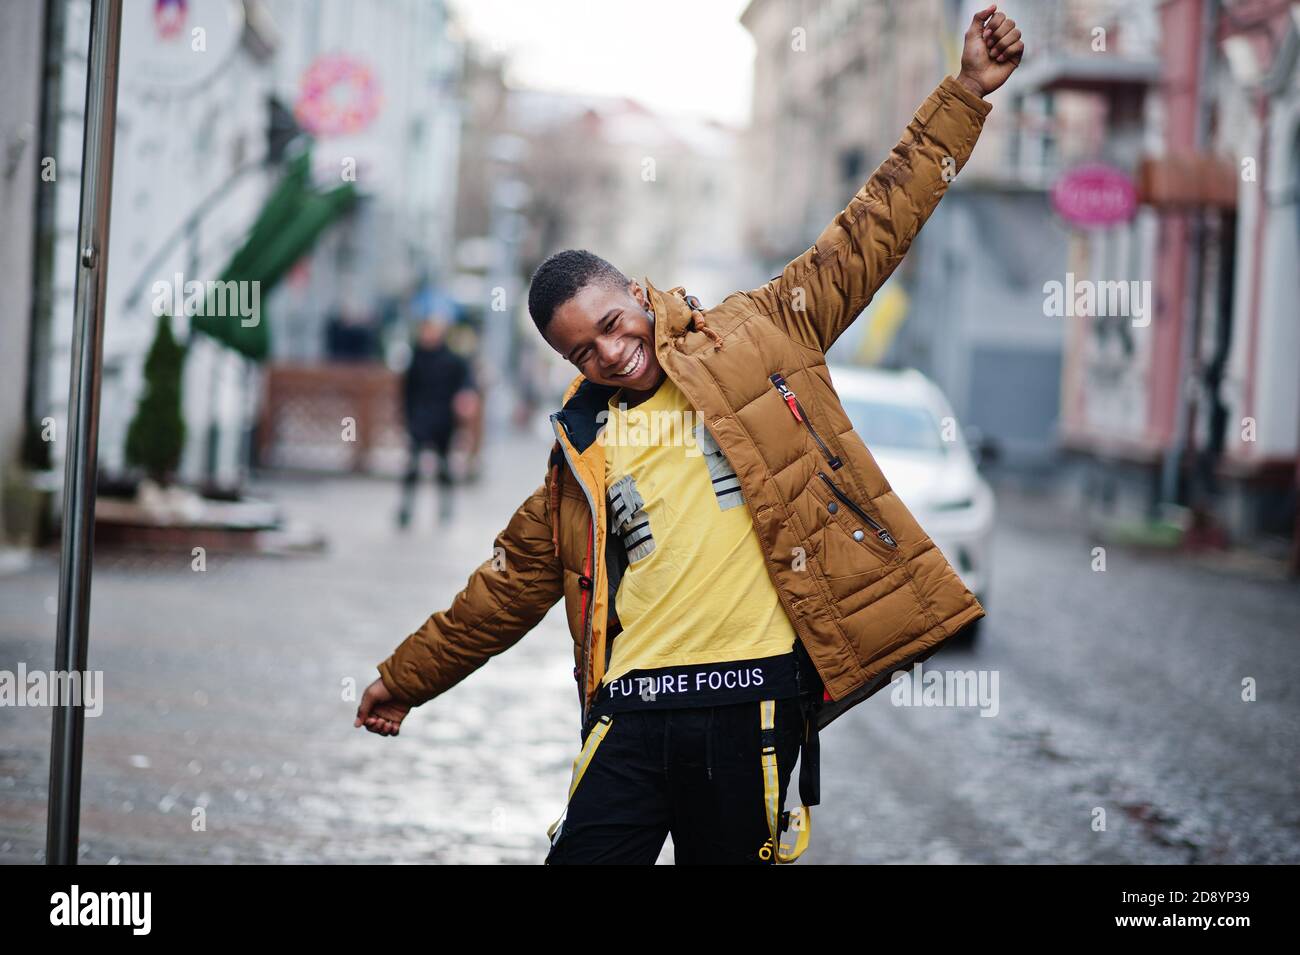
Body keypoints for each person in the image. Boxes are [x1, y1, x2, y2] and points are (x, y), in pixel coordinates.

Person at [356, 6, 1023, 864]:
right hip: (631, 710)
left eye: (611, 321)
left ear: (636, 291)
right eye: (581, 348)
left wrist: (966, 92)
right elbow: (507, 586)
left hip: (755, 708)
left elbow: (872, 229)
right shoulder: (582, 451)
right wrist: (405, 679)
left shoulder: (762, 333)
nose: (611, 350)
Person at [397, 315, 476, 527]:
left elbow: (467, 380)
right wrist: (406, 418)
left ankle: (445, 509)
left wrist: (465, 395)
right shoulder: (416, 358)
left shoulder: (452, 359)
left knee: (443, 467)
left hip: (443, 421)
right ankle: (405, 510)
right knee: (412, 466)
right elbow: (407, 391)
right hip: (420, 420)